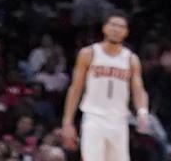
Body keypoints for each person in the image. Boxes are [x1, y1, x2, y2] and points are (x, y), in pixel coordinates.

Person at [63, 17, 148, 161]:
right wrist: (67, 122)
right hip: (93, 118)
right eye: (113, 25)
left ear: (126, 32)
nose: (116, 29)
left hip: (119, 120)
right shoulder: (88, 53)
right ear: (104, 28)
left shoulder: (131, 59)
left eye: (121, 26)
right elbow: (75, 89)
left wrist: (142, 111)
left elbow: (138, 89)